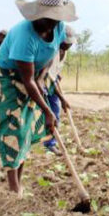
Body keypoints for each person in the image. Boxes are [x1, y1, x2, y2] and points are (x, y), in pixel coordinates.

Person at [0, 0, 76, 196]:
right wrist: (47, 110)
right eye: (49, 18)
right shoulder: (24, 36)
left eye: (56, 18)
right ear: (37, 14)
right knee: (12, 130)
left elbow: (49, 56)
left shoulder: (59, 29)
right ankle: (13, 189)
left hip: (33, 78)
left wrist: (42, 77)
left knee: (26, 130)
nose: (53, 22)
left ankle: (19, 183)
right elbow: (26, 80)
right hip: (8, 80)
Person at [42, 26, 77, 154]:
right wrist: (63, 99)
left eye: (71, 43)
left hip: (51, 81)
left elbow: (55, 73)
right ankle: (48, 142)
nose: (70, 45)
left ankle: (50, 143)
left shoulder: (64, 52)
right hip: (41, 82)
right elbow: (49, 79)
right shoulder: (52, 51)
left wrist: (58, 75)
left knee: (54, 112)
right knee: (48, 114)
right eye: (68, 42)